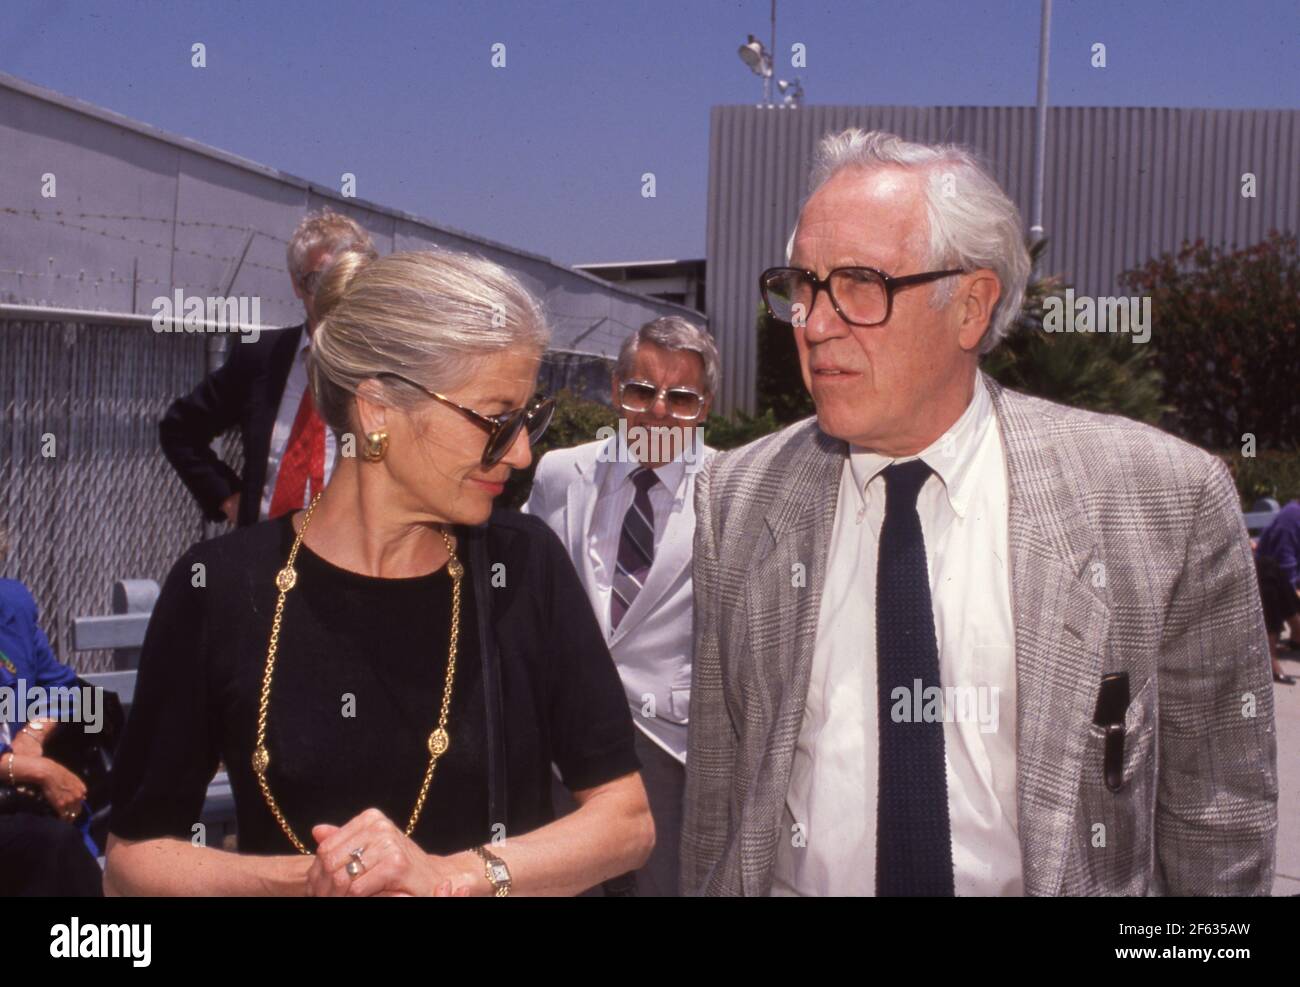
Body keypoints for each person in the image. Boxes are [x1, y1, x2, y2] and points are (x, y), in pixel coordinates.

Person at [682, 128, 1278, 896]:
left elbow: (1219, 822)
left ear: (970, 306)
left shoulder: (1165, 496)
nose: (814, 322)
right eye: (800, 285)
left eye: (860, 284)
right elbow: (716, 810)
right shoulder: (736, 497)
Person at [106, 249, 653, 896]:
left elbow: (626, 822)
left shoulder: (524, 567)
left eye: (527, 418)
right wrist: (314, 880)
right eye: (495, 417)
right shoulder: (219, 589)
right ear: (377, 411)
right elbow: (132, 860)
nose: (524, 451)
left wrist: (452, 877)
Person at [524, 316, 717, 896]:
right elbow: (531, 602)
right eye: (641, 391)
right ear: (615, 390)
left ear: (705, 406)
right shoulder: (559, 474)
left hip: (669, 748)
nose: (658, 411)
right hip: (564, 746)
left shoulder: (731, 486)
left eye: (681, 398)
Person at [160, 209, 377, 528]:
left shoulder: (387, 369)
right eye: (321, 279)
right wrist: (229, 498)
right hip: (264, 552)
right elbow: (180, 428)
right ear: (297, 284)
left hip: (351, 557)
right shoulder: (262, 356)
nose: (336, 292)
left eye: (346, 277)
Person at [0, 522, 104, 896]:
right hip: (19, 805)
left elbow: (64, 688)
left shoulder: (11, 605)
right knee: (53, 848)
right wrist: (30, 767)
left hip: (21, 802)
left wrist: (34, 732)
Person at [1254, 499, 1300, 684]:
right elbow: (1287, 568)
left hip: (1280, 585)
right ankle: (1271, 658)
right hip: (1278, 587)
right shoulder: (1291, 518)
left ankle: (1296, 634)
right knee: (1269, 569)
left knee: (1269, 570)